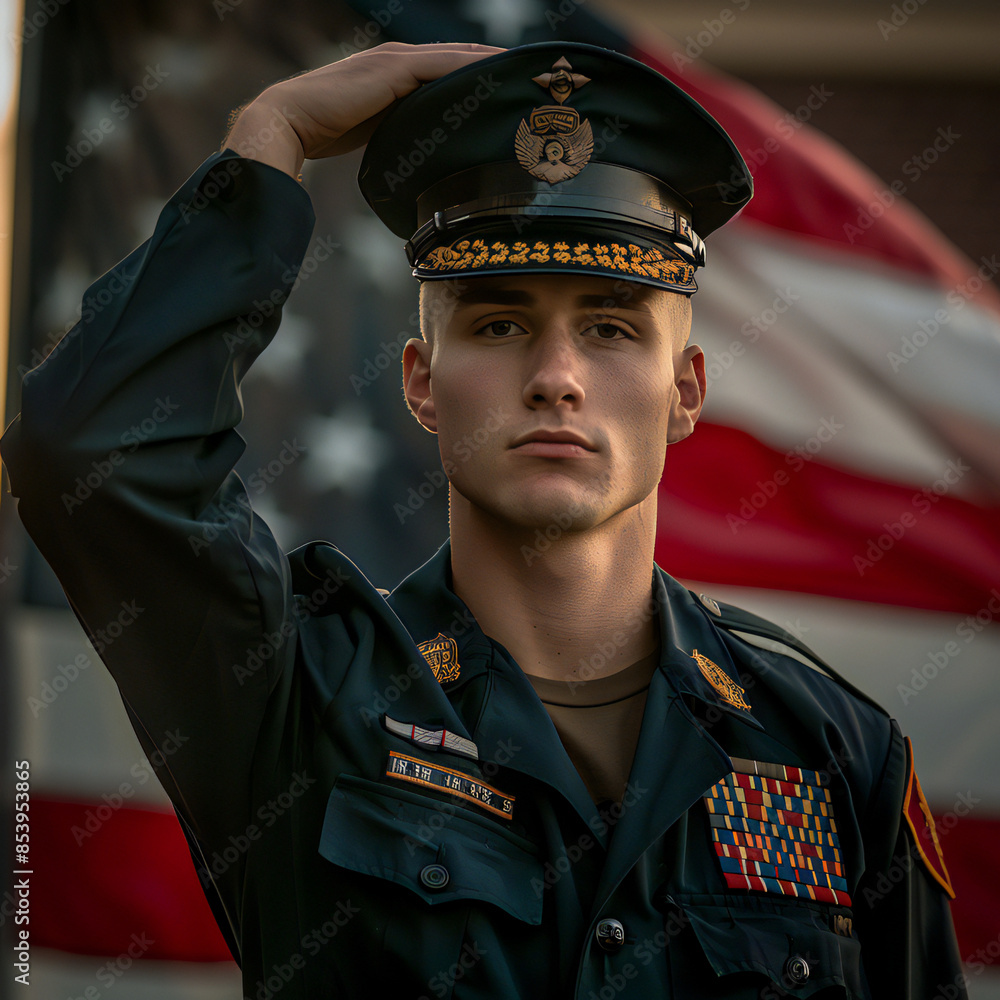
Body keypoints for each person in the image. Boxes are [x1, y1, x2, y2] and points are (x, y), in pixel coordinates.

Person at [1, 40, 967, 999]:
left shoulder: (833, 750)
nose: (556, 378)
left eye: (612, 325)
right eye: (500, 325)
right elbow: (93, 450)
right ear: (420, 383)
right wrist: (271, 140)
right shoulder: (297, 697)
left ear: (686, 390)